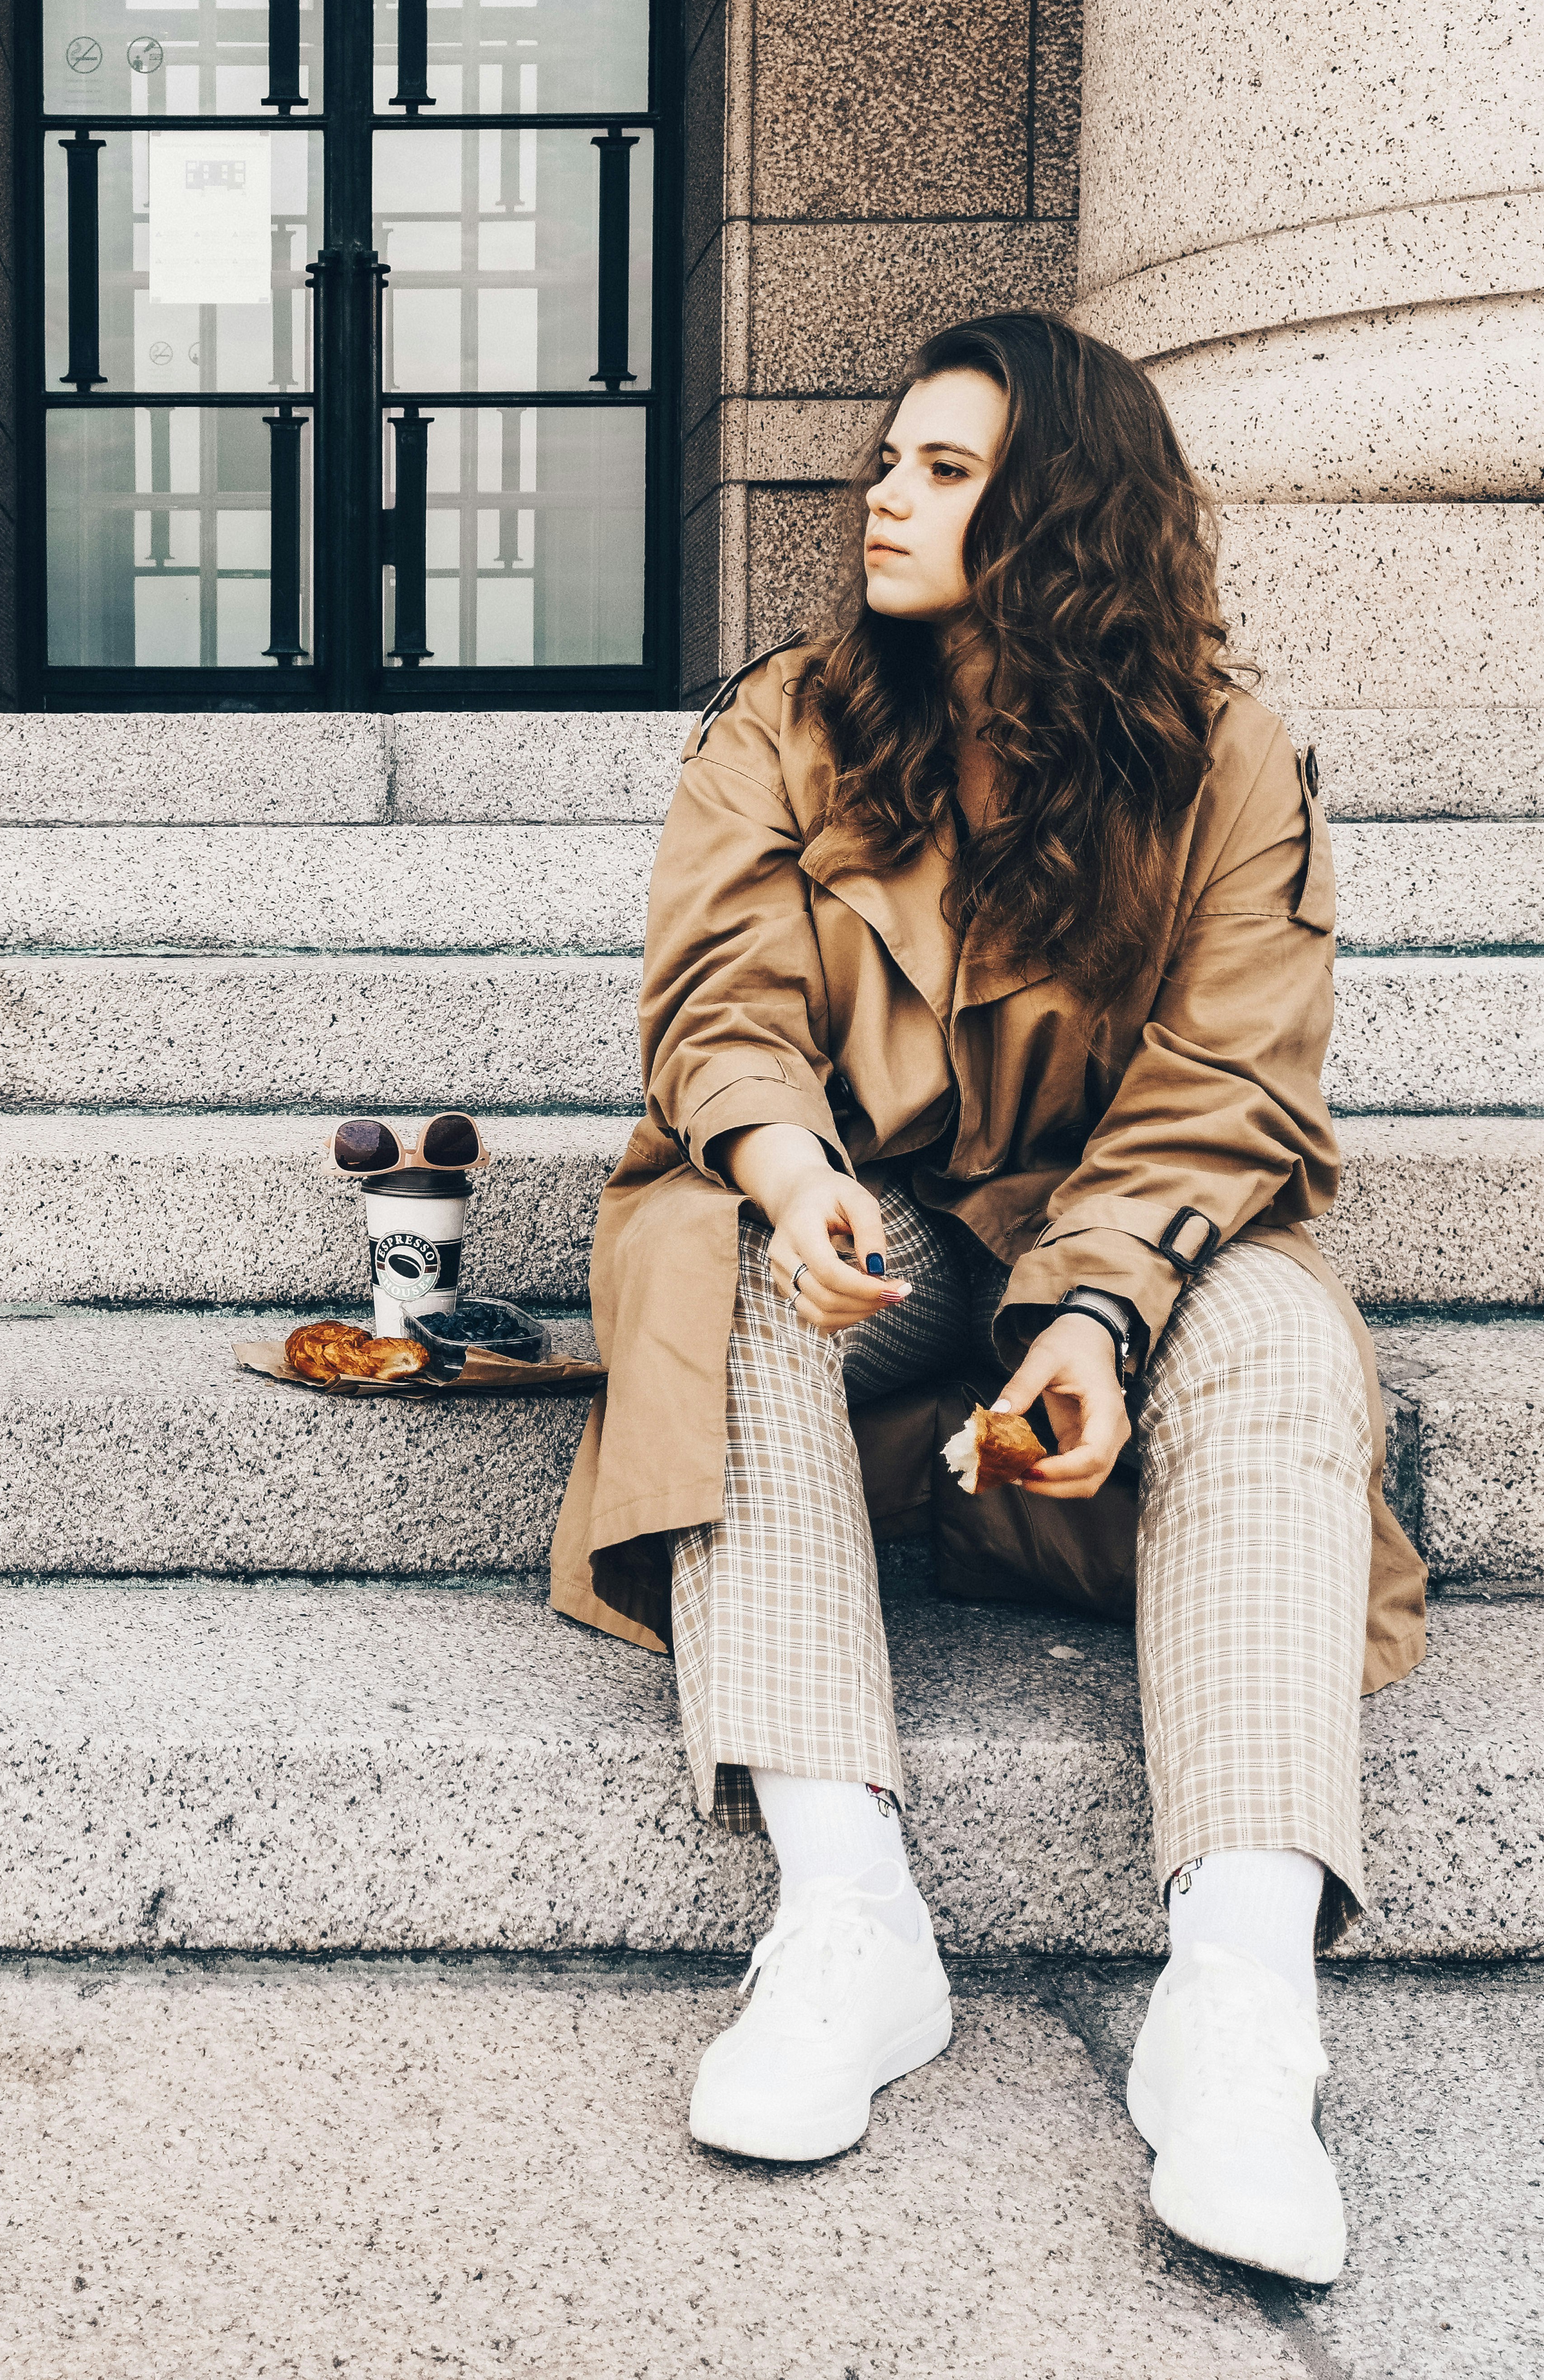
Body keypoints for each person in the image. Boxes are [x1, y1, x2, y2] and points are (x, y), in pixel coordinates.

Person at [547, 309, 1425, 2285]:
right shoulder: (783, 723)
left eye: (942, 473)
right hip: (869, 1229)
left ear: (1058, 516)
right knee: (713, 1250)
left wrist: (1088, 1320)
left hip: (1106, 1251)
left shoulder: (1221, 756)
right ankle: (847, 1918)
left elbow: (1227, 1086)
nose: (881, 493)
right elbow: (717, 1009)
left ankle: (1237, 2000)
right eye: (888, 457)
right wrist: (787, 1179)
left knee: (1284, 1325)